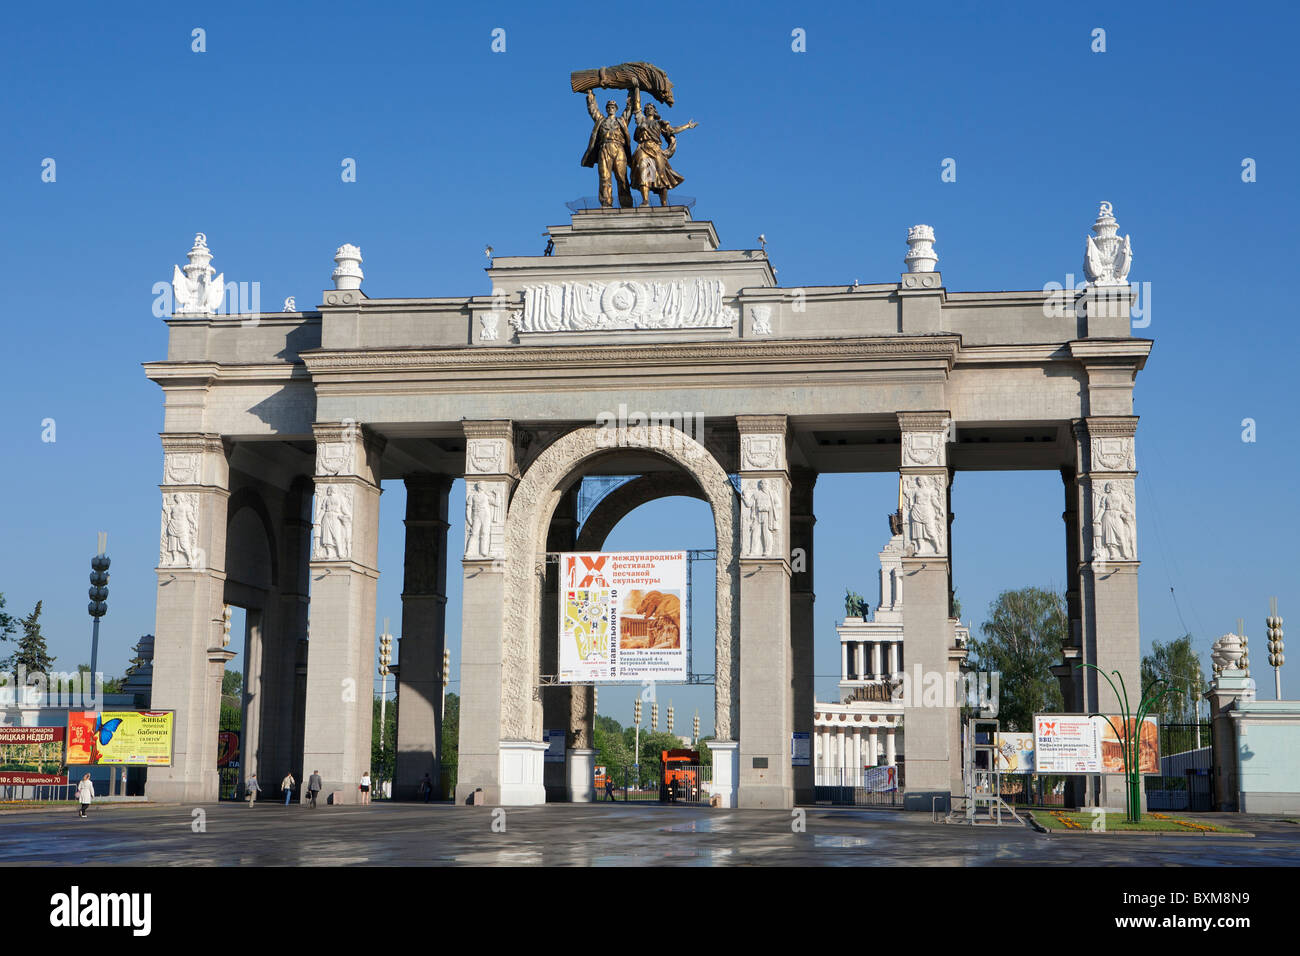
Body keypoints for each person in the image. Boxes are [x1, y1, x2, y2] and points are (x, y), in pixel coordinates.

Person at [580, 86, 635, 208]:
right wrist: (590, 95)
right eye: (609, 107)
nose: (611, 109)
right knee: (604, 177)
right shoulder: (601, 120)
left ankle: (626, 205)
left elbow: (629, 110)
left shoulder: (621, 120)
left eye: (613, 107)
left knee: (621, 177)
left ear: (616, 109)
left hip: (619, 148)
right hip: (604, 148)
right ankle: (606, 203)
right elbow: (593, 110)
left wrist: (632, 92)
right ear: (606, 109)